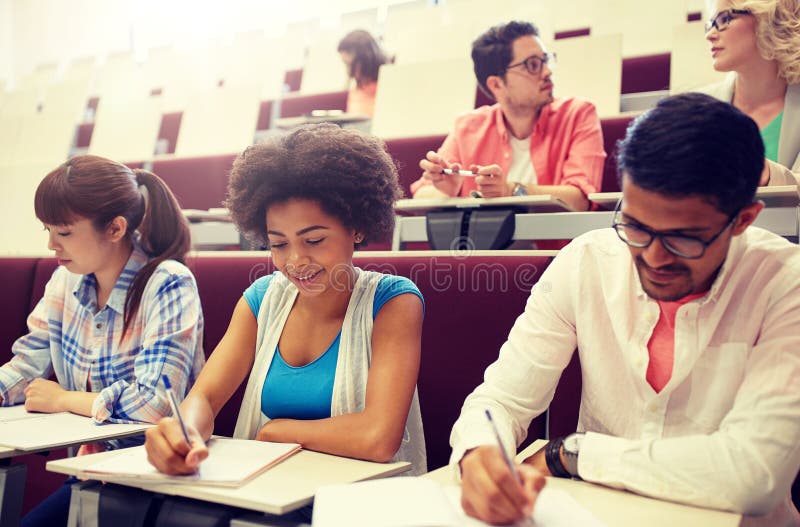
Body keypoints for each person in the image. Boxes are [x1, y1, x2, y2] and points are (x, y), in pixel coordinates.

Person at [451, 93, 800, 526]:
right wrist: (479, 452)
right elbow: (500, 400)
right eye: (635, 226)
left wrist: (572, 454)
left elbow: (752, 475)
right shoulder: (586, 261)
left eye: (684, 239)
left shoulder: (787, 284)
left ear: (744, 220)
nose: (653, 257)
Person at [144, 125, 426, 484]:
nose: (295, 260)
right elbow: (206, 398)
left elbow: (377, 438)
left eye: (314, 239)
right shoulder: (261, 299)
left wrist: (278, 431)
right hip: (268, 497)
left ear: (356, 228)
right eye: (278, 244)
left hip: (358, 504)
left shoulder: (394, 301)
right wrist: (183, 434)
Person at [0, 155, 206, 527]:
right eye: (47, 230)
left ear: (114, 229)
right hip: (89, 472)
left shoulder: (168, 282)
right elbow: (25, 366)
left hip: (155, 478)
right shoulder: (66, 280)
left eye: (63, 232)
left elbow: (156, 404)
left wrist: (64, 399)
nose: (51, 245)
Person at [412, 21, 605, 211]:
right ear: (496, 85)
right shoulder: (468, 127)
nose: (547, 72)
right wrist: (448, 192)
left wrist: (511, 190)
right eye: (532, 65)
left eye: (545, 61)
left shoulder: (578, 114)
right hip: (485, 243)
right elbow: (421, 194)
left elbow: (580, 200)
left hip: (559, 243)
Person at [701, 0, 800, 185]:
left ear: (768, 18)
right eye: (711, 24)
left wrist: (765, 172)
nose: (710, 35)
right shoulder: (696, 108)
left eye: (725, 19)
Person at [337, 29, 390, 117]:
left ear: (366, 60)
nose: (349, 72)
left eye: (350, 65)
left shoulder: (387, 88)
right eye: (345, 64)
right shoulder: (356, 90)